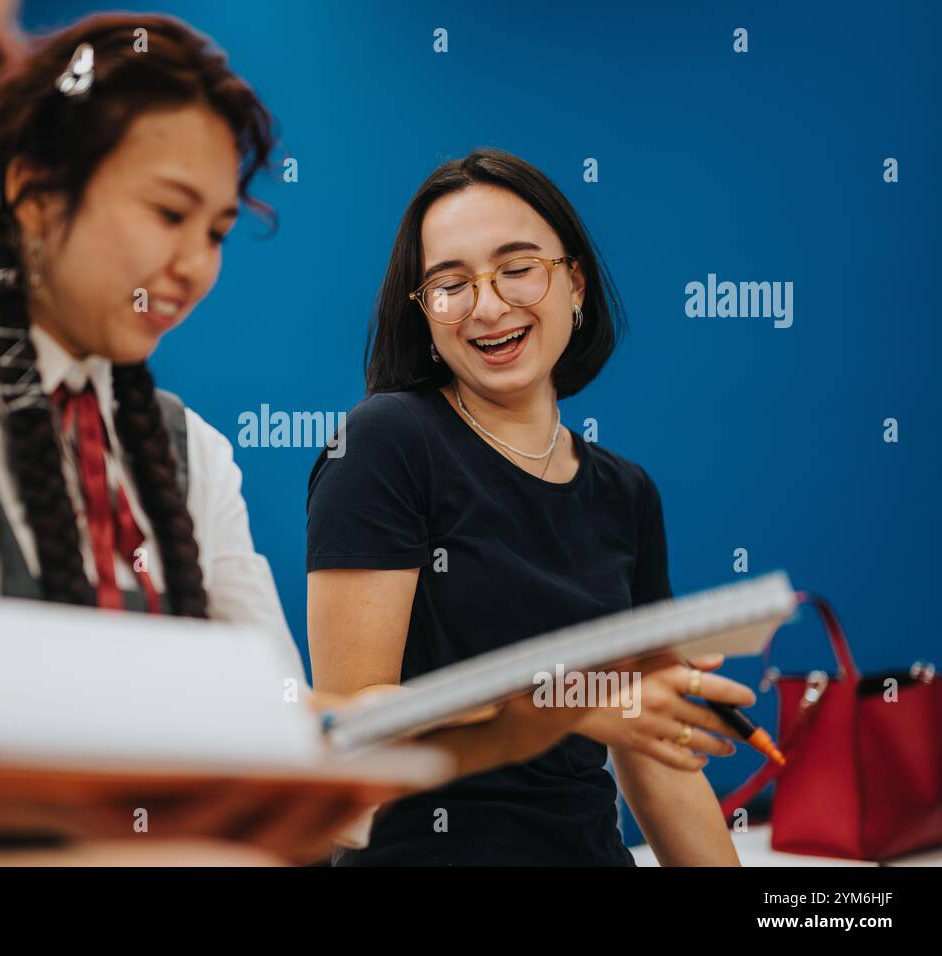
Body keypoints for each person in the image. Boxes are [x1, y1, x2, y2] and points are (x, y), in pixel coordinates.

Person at [0, 13, 372, 864]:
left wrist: (482, 728)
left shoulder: (194, 451)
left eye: (218, 232)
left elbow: (277, 725)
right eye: (168, 212)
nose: (195, 263)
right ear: (37, 192)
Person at [306, 148, 756, 866]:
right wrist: (569, 699)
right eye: (449, 284)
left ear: (574, 283)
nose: (488, 306)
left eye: (518, 268)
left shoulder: (626, 492)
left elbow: (655, 758)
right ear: (424, 314)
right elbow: (349, 727)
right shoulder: (385, 442)